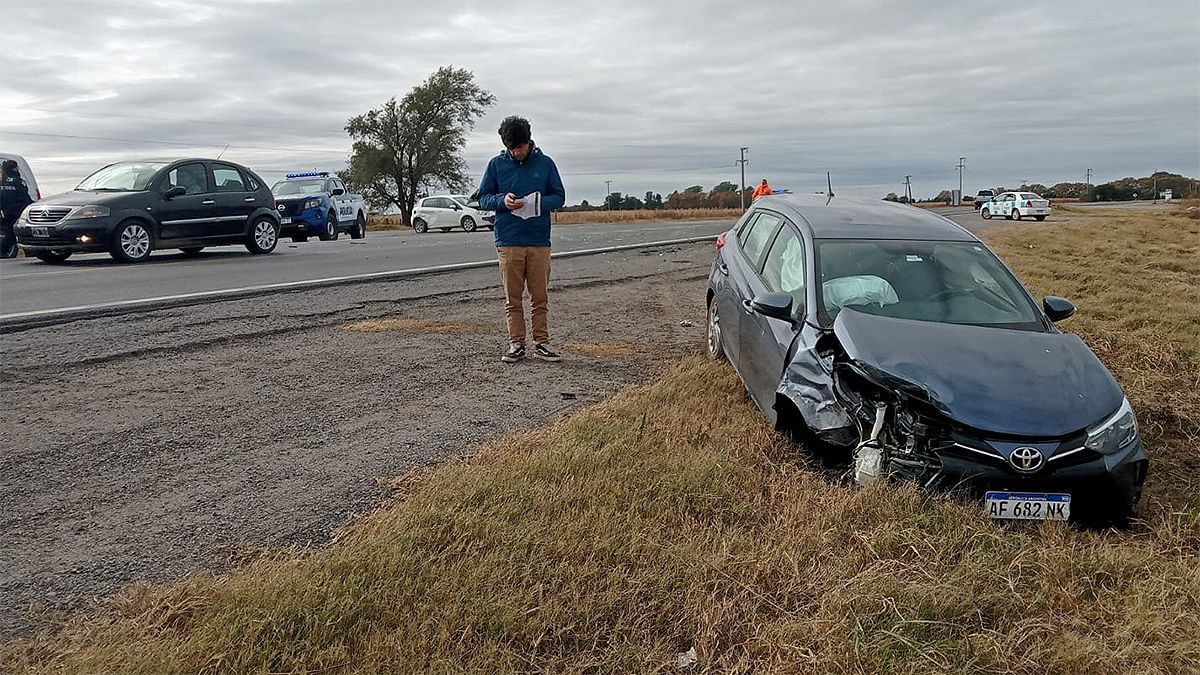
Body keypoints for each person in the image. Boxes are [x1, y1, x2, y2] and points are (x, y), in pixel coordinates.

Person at [476, 116, 567, 363]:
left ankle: (542, 342)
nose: (516, 152)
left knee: (540, 296)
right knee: (512, 298)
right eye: (512, 148)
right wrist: (502, 202)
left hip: (538, 241)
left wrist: (537, 202)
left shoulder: (546, 164)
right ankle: (516, 343)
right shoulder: (496, 165)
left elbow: (559, 196)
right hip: (508, 240)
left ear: (529, 141)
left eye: (520, 147)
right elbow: (483, 197)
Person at [1, 159, 34, 258]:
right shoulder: (19, 181)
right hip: (18, 211)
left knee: (8, 232)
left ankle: (3, 251)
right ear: (14, 169)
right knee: (24, 231)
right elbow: (25, 197)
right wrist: (32, 205)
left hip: (5, 212)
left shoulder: (2, 182)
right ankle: (30, 252)